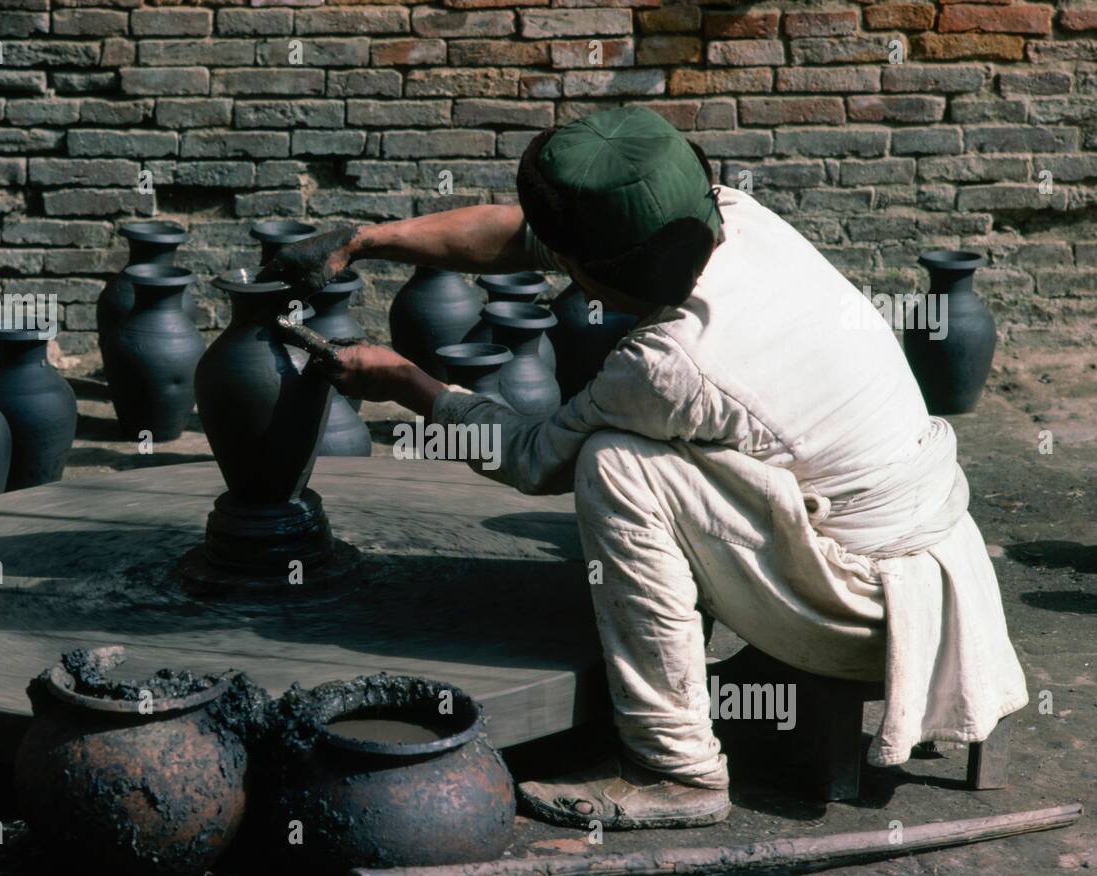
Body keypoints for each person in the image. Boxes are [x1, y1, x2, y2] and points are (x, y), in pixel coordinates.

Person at [262, 106, 1028, 830]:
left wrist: (409, 386)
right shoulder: (733, 218)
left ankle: (676, 769)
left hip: (866, 608)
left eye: (559, 257)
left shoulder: (667, 364)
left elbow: (532, 458)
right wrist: (365, 237)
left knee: (615, 464)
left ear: (583, 266)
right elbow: (523, 239)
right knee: (651, 452)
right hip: (935, 553)